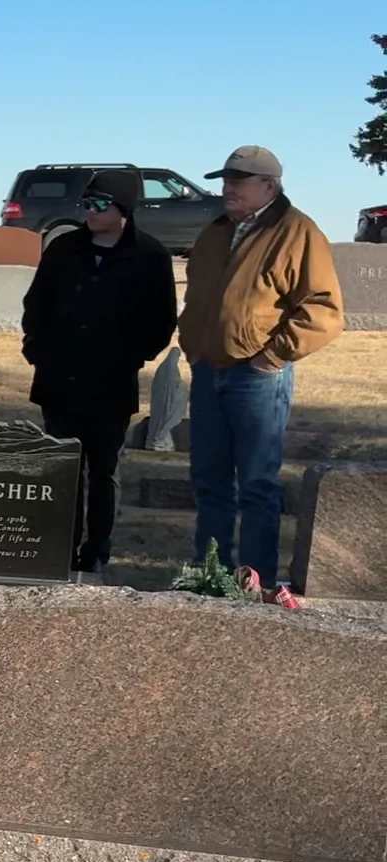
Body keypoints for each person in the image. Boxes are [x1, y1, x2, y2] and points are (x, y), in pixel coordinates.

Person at [179, 146, 343, 599]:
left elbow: (323, 310)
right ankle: (209, 575)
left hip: (258, 377)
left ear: (268, 186)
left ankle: (258, 581)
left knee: (256, 483)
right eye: (225, 179)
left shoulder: (298, 232)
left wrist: (273, 356)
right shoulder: (215, 232)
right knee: (209, 481)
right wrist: (195, 348)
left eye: (240, 180)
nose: (228, 188)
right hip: (209, 371)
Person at [21, 170, 178, 575]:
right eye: (86, 203)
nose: (89, 210)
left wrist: (131, 355)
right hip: (59, 380)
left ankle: (97, 549)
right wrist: (37, 349)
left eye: (100, 203)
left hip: (111, 383)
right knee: (62, 466)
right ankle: (60, 545)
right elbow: (36, 304)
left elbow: (161, 322)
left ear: (124, 208)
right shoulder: (63, 249)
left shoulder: (151, 256)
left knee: (103, 469)